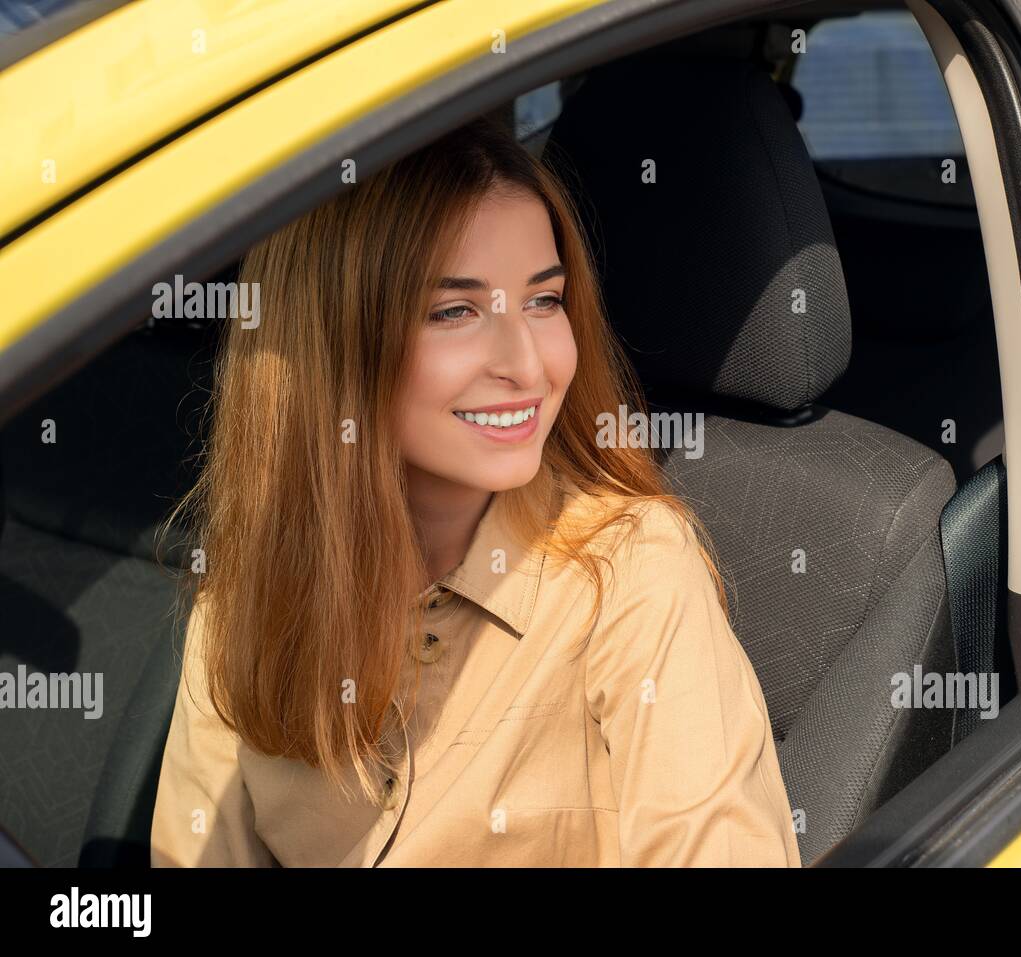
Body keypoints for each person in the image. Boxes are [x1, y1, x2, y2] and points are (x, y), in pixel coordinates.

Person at [150, 115, 801, 867]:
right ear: (333, 348)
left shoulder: (632, 577)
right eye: (456, 311)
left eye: (544, 301)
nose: (526, 364)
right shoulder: (240, 602)